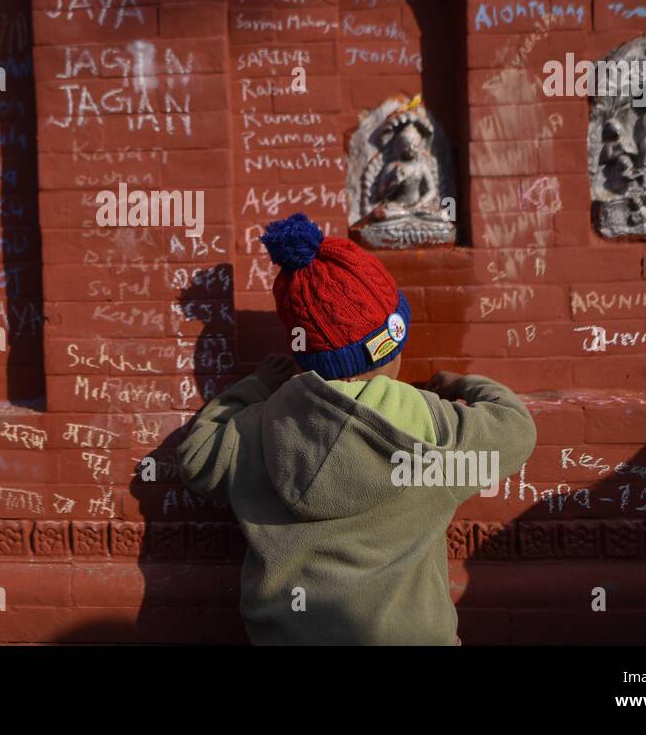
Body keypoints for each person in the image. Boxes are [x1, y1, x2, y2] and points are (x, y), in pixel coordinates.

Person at [176, 213, 536, 645]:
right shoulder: (432, 427)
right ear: (393, 343)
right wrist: (460, 384)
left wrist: (254, 387)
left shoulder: (257, 430)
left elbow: (196, 458)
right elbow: (516, 429)